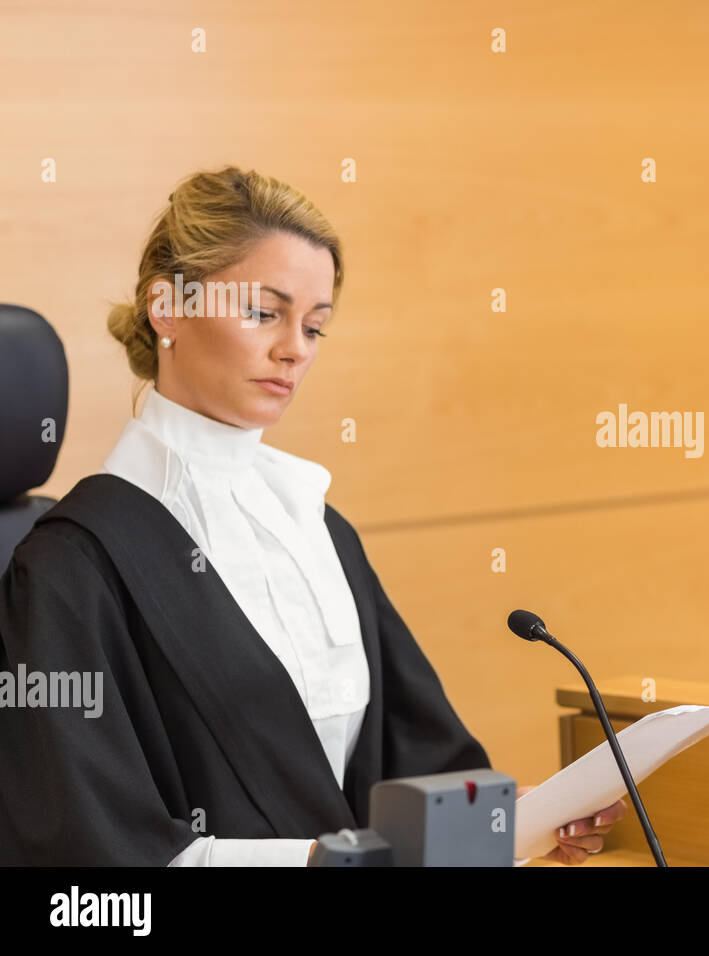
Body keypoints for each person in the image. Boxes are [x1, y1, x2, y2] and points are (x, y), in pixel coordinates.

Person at [0, 166, 624, 863]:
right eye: (265, 313)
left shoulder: (320, 529)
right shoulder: (67, 568)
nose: (295, 348)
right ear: (167, 307)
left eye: (315, 325)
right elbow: (92, 858)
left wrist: (511, 825)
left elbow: (417, 765)